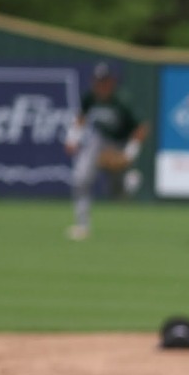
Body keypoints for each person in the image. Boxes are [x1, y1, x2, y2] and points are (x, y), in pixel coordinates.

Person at [65, 62, 148, 241]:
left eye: (104, 81)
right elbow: (81, 117)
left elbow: (142, 127)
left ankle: (129, 182)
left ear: (112, 82)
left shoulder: (122, 100)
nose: (101, 85)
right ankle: (82, 226)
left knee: (118, 194)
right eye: (98, 81)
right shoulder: (90, 97)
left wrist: (130, 153)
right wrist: (73, 137)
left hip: (119, 144)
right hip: (98, 141)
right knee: (80, 179)